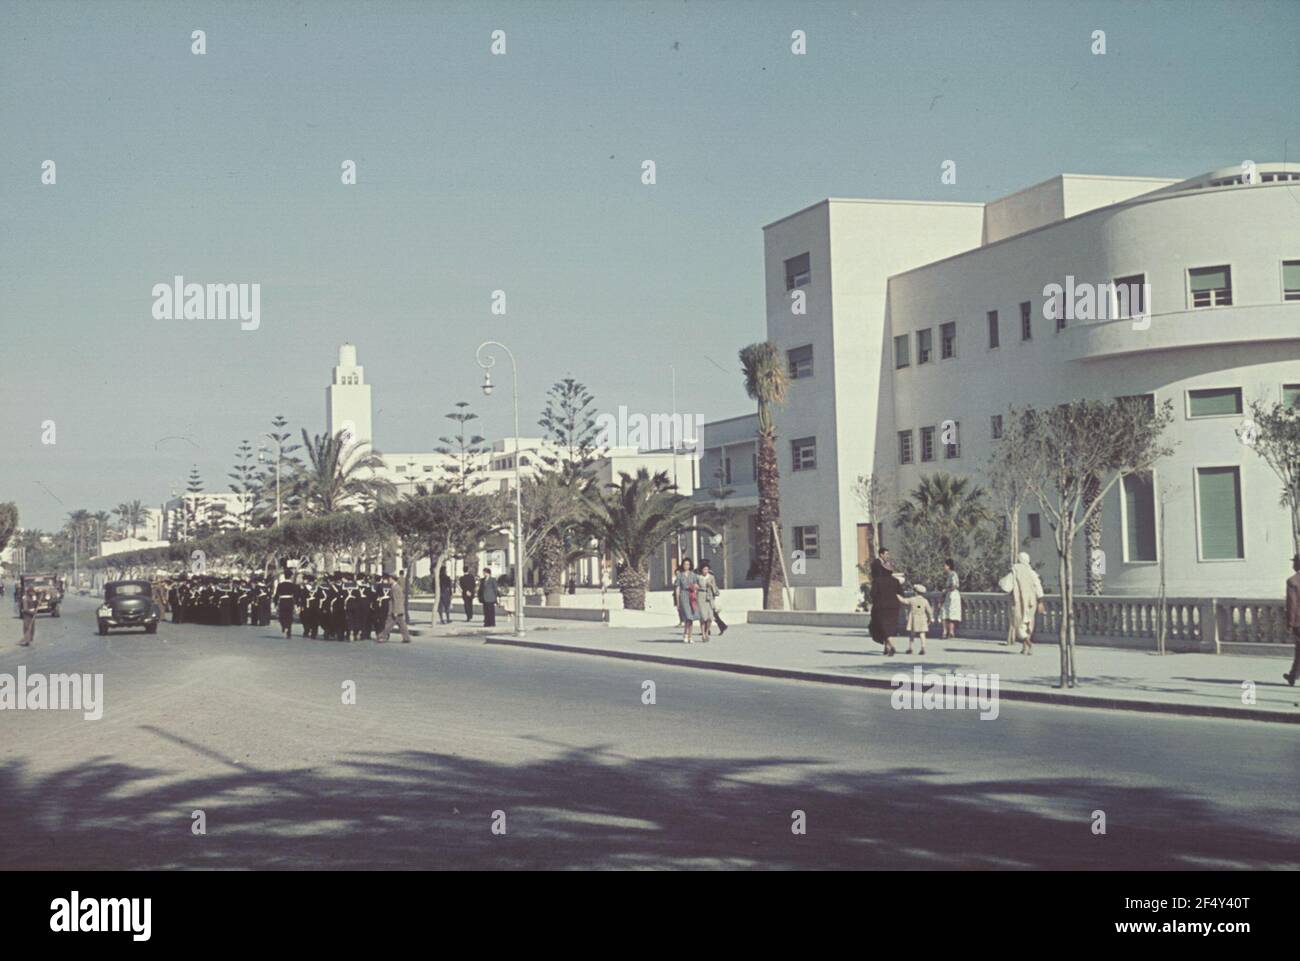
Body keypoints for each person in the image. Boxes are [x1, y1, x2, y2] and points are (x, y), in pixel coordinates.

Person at [1003, 552, 1044, 654]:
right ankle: (1025, 648)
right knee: (1029, 623)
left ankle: (1028, 642)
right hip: (1031, 601)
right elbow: (1038, 588)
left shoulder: (1014, 571)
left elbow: (1006, 586)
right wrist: (1040, 602)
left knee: (1018, 623)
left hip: (1018, 602)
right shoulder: (1032, 572)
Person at [868, 550, 906, 656]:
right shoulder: (895, 581)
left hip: (881, 607)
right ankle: (887, 648)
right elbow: (901, 593)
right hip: (894, 607)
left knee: (882, 626)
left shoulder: (877, 581)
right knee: (891, 627)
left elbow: (872, 594)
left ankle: (890, 645)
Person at [674, 557, 702, 643]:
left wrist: (696, 587)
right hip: (683, 595)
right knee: (687, 616)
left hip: (691, 595)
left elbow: (697, 585)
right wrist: (677, 600)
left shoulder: (693, 575)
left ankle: (689, 635)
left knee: (691, 617)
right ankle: (686, 634)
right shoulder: (680, 575)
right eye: (685, 564)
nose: (687, 566)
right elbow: (677, 587)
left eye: (688, 564)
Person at [378, 574, 412, 643]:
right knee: (402, 625)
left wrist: (395, 611)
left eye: (389, 579)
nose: (388, 580)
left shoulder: (395, 588)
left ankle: (382, 636)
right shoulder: (396, 587)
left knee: (388, 624)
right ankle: (406, 638)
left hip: (395, 609)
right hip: (398, 609)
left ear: (392, 579)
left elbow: (396, 600)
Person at [1284, 554, 1300, 686]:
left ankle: (1293, 676)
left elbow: (1292, 604)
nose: (1292, 564)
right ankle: (1293, 675)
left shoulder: (1293, 581)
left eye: (1294, 562)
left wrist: (1290, 624)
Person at [904, 584, 933, 656]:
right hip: (922, 618)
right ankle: (923, 647)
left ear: (915, 592)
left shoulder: (912, 599)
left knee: (912, 634)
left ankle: (910, 647)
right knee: (922, 633)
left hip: (914, 618)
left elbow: (904, 601)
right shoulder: (925, 601)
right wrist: (930, 619)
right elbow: (929, 611)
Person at [697, 560, 721, 642]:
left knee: (710, 617)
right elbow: (695, 587)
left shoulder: (711, 577)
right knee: (703, 617)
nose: (705, 571)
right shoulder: (698, 577)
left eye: (707, 569)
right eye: (704, 569)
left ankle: (707, 632)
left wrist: (711, 586)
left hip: (709, 597)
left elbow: (715, 588)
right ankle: (703, 634)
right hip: (701, 597)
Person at [940, 559, 962, 639]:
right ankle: (946, 632)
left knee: (951, 613)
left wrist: (946, 590)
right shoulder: (949, 575)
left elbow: (955, 585)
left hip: (953, 596)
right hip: (949, 595)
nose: (944, 567)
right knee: (945, 612)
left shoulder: (953, 574)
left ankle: (950, 632)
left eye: (945, 565)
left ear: (948, 566)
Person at [274, 571, 297, 638]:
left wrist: (275, 603)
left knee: (282, 616)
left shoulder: (280, 585)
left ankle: (284, 626)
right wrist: (296, 604)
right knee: (289, 617)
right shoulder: (293, 585)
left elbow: (276, 595)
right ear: (291, 577)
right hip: (290, 601)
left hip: (282, 601)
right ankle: (289, 632)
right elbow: (296, 595)